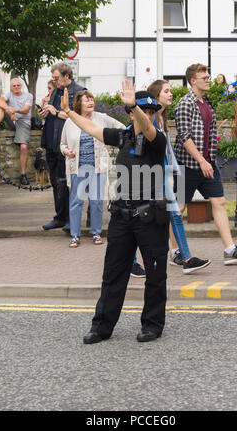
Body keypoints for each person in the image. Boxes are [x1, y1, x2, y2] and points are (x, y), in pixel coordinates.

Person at [61, 81, 169, 344]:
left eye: (152, 112)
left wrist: (134, 105)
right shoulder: (122, 136)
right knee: (112, 275)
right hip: (122, 216)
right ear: (130, 115)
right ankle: (102, 327)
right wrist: (69, 112)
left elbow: (147, 128)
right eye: (144, 111)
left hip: (149, 218)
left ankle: (152, 325)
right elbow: (92, 128)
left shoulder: (157, 140)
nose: (149, 115)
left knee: (155, 275)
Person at [174, 63, 237, 265]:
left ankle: (230, 249)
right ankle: (175, 252)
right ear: (193, 80)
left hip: (208, 164)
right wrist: (201, 161)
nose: (209, 79)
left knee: (219, 203)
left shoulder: (207, 102)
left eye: (209, 76)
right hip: (187, 166)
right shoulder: (185, 103)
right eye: (205, 77)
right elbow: (184, 136)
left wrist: (208, 160)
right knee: (178, 209)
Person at [147, 79, 210, 274]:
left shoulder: (161, 118)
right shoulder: (149, 119)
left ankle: (186, 257)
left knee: (174, 214)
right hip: (150, 175)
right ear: (156, 96)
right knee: (141, 218)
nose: (170, 94)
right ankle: (130, 261)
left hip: (163, 173)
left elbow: (166, 150)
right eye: (167, 91)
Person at [60, 89, 125, 247]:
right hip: (77, 167)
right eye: (86, 100)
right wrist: (66, 151)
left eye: (92, 99)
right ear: (79, 103)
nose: (90, 102)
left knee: (96, 202)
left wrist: (112, 141)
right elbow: (62, 144)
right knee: (76, 202)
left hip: (98, 167)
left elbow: (122, 128)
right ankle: (75, 235)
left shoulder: (101, 118)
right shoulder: (70, 121)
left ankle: (96, 233)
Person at [39, 62, 86, 232]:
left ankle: (69, 220)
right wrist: (45, 113)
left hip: (68, 146)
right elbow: (52, 112)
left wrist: (55, 112)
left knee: (68, 183)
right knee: (56, 183)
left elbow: (79, 117)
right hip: (52, 144)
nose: (55, 81)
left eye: (57, 78)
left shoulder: (80, 91)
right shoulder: (55, 91)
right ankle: (59, 218)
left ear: (67, 76)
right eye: (53, 78)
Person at [0, 78, 33, 185]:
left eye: (18, 85)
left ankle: (23, 175)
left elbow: (26, 110)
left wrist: (14, 111)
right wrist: (9, 109)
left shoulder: (28, 96)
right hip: (11, 119)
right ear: (11, 87)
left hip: (23, 121)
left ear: (21, 86)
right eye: (14, 86)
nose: (16, 87)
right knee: (1, 106)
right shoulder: (9, 95)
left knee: (24, 147)